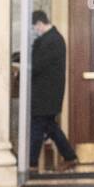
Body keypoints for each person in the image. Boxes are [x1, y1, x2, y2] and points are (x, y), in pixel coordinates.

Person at [26, 10, 78, 172]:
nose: (35, 31)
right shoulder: (55, 39)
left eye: (35, 27)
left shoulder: (49, 41)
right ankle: (69, 156)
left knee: (38, 127)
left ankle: (31, 164)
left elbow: (37, 66)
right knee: (49, 127)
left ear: (40, 24)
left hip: (45, 94)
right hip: (49, 94)